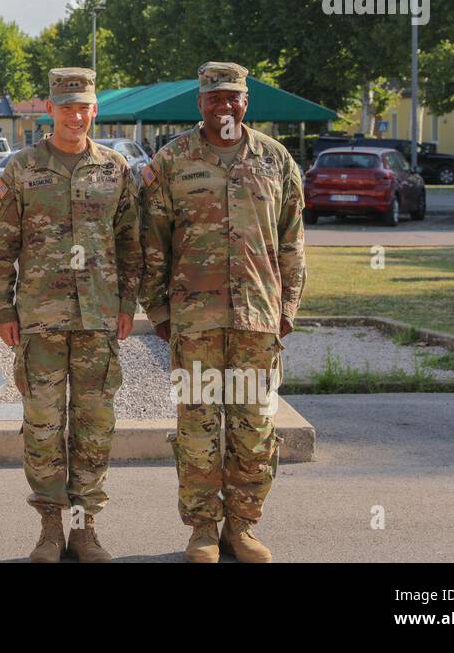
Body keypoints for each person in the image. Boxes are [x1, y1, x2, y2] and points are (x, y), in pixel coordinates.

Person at [139, 61, 306, 563]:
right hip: (195, 323)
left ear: (246, 101)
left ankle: (243, 526)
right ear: (200, 102)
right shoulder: (172, 162)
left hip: (258, 319)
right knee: (197, 430)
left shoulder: (276, 161)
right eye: (214, 97)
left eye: (232, 96)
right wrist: (162, 314)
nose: (224, 105)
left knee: (255, 428)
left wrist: (287, 308)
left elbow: (292, 243)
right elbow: (152, 246)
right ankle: (202, 530)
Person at [0, 68, 143, 563]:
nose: (75, 115)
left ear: (95, 110)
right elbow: (0, 247)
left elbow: (130, 244)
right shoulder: (22, 170)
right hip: (39, 320)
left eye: (83, 106)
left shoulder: (116, 169)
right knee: (43, 424)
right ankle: (51, 528)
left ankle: (84, 528)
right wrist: (3, 307)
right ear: (49, 109)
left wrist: (127, 304)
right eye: (66, 106)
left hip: (98, 318)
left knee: (94, 424)